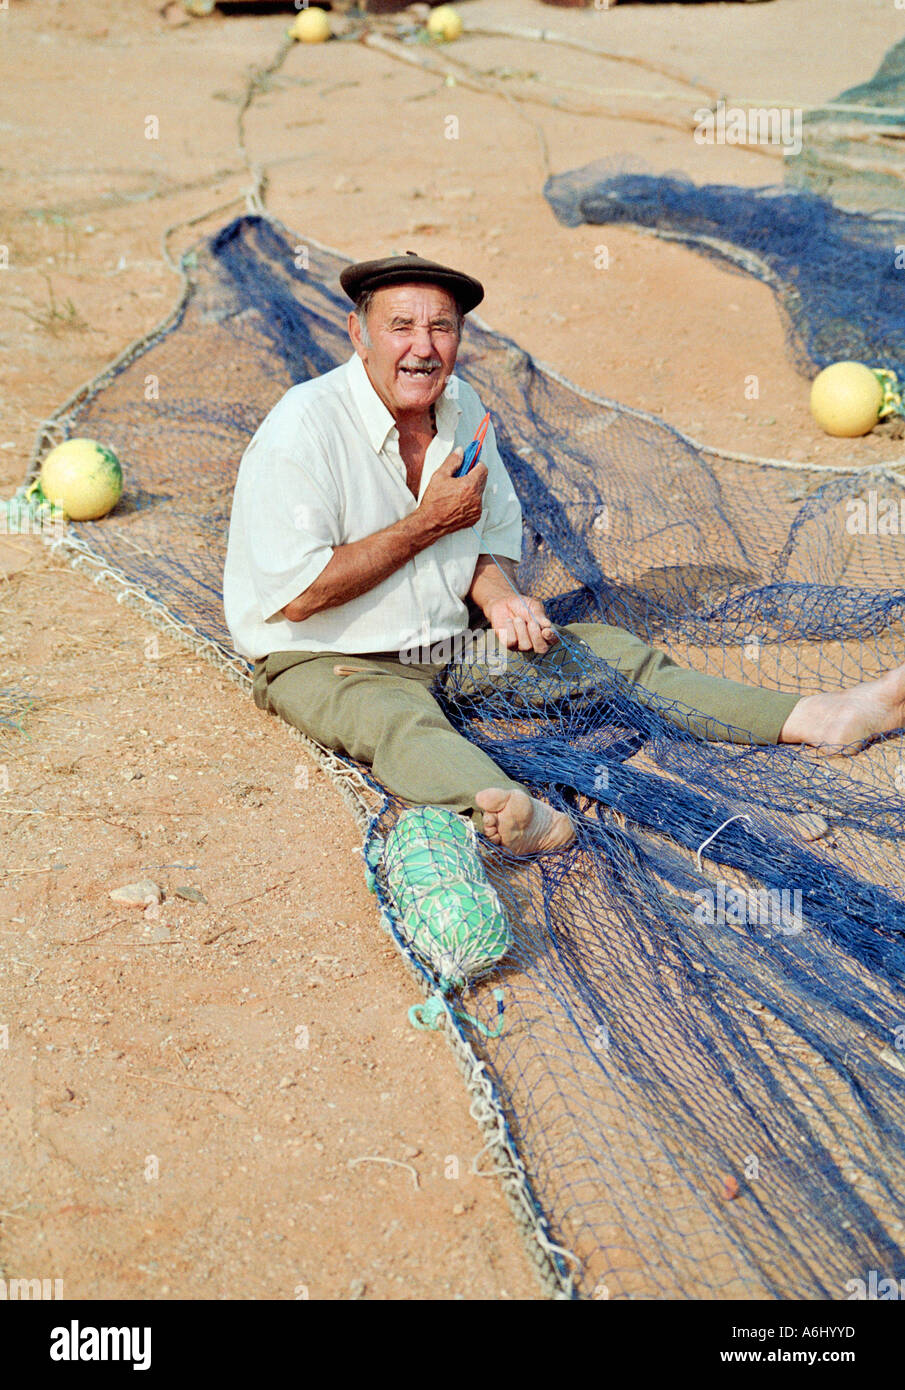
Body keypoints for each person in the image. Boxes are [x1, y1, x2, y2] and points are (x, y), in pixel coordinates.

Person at [223, 253, 905, 855]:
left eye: (441, 328)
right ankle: (513, 811)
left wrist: (501, 599)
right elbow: (300, 595)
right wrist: (425, 525)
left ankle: (820, 716)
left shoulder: (462, 408)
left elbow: (484, 539)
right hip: (323, 654)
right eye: (401, 326)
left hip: (442, 642)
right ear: (358, 334)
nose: (423, 348)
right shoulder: (301, 428)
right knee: (395, 720)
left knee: (605, 651)